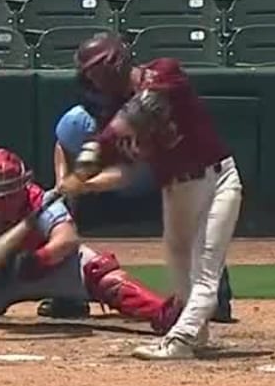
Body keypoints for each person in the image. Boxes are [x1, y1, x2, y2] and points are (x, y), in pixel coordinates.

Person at [59, 32, 243, 360]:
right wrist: (83, 184)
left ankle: (181, 341)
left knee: (205, 268)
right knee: (179, 269)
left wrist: (93, 152)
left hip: (218, 181)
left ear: (111, 66)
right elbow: (126, 172)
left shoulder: (164, 72)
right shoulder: (113, 113)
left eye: (95, 75)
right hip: (175, 189)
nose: (93, 84)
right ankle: (197, 334)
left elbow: (137, 113)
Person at [0, 147, 177, 330]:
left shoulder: (42, 203)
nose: (0, 202)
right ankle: (63, 301)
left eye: (8, 194)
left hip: (53, 269)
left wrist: (40, 259)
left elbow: (67, 239)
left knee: (101, 273)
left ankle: (164, 312)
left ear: (23, 187)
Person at [45, 94, 236, 323]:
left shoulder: (143, 122)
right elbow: (62, 145)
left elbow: (128, 174)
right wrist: (62, 180)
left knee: (194, 214)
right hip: (104, 194)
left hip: (155, 186)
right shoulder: (79, 118)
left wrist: (85, 184)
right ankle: (67, 297)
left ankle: (217, 298)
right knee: (59, 210)